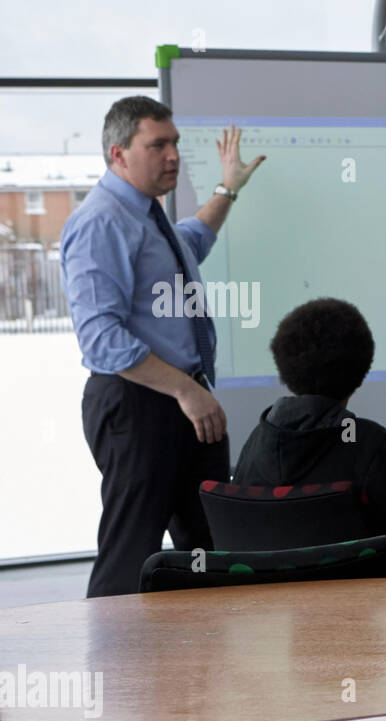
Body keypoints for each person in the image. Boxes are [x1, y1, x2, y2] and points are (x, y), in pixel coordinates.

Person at [62, 96, 264, 596]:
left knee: (210, 549)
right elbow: (101, 339)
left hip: (185, 407)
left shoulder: (147, 217)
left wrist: (227, 190)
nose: (173, 155)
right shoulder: (100, 222)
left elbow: (190, 242)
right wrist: (186, 390)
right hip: (140, 404)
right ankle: (114, 671)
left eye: (174, 143)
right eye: (158, 145)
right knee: (132, 555)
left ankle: (203, 668)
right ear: (118, 154)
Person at [232, 298, 386, 576]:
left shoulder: (256, 442)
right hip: (364, 611)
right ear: (361, 372)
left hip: (275, 610)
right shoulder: (366, 443)